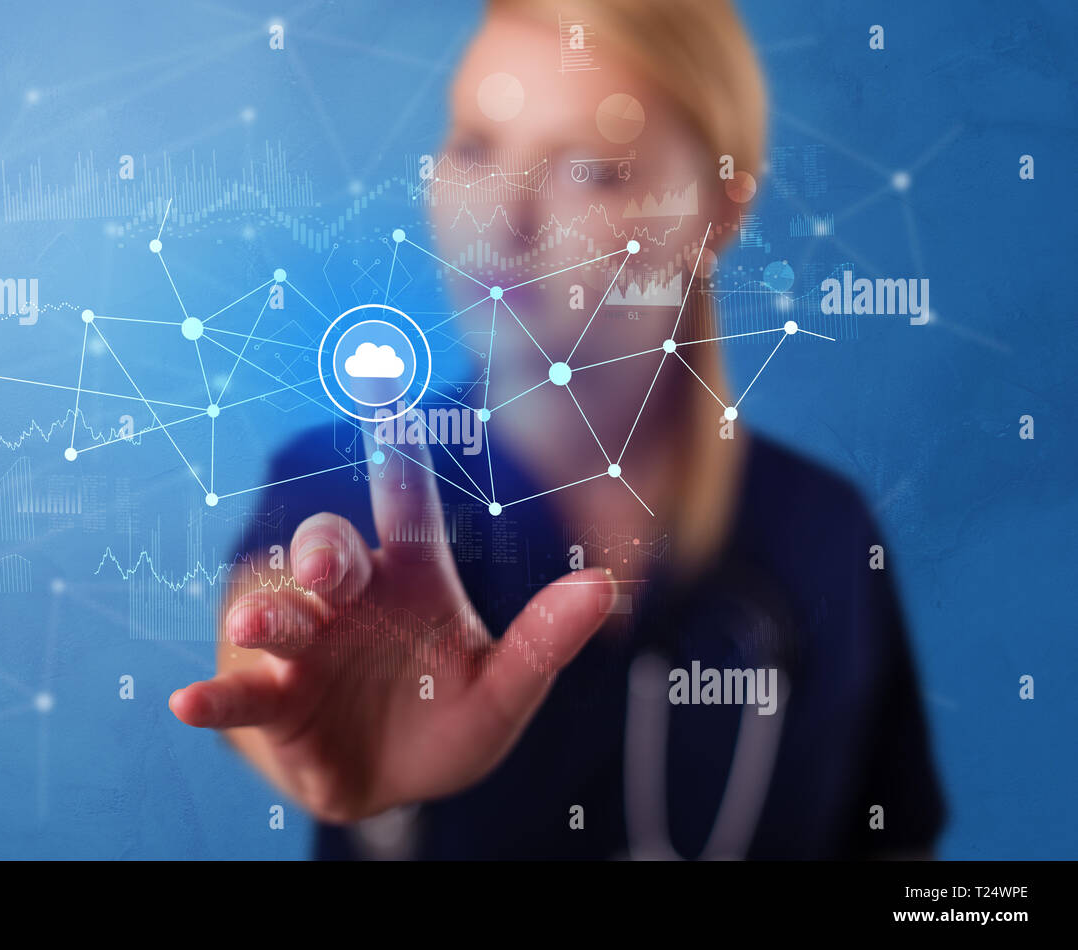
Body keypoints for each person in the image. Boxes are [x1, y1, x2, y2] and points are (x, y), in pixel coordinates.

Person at [169, 0, 946, 859]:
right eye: (473, 148)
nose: (504, 220)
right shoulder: (340, 477)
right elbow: (265, 630)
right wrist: (290, 703)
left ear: (718, 215)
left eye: (592, 170)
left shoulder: (824, 532)